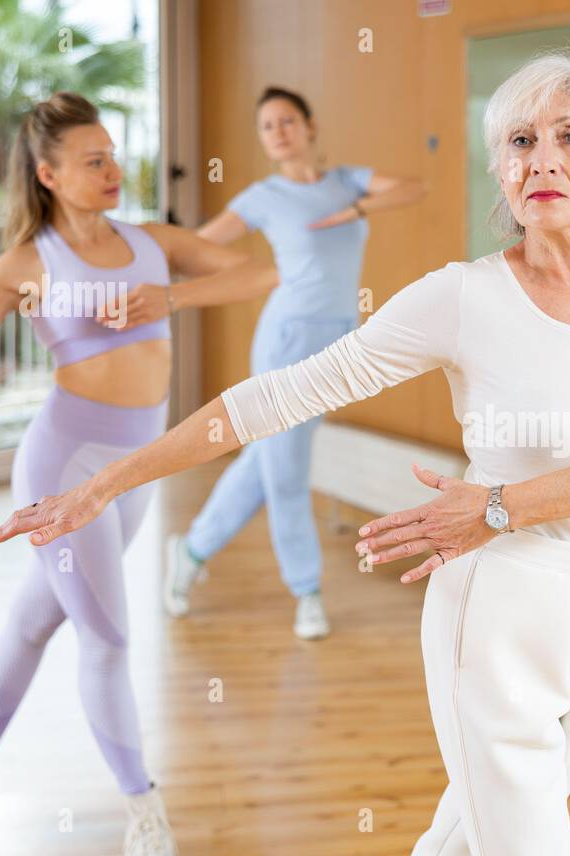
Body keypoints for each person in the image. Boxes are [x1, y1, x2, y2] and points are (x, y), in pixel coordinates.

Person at [0, 53, 570, 856]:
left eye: (569, 136)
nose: (539, 156)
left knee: (466, 839)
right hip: (498, 598)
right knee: (529, 849)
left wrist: (499, 501)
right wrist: (107, 480)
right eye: (519, 140)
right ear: (502, 175)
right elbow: (282, 393)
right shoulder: (462, 296)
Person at [0, 92, 279, 856]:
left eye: (113, 154)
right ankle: (145, 815)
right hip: (64, 467)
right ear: (50, 175)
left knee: (33, 625)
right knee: (109, 634)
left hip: (134, 471)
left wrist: (172, 295)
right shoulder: (28, 265)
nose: (113, 169)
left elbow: (259, 274)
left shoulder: (153, 243)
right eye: (94, 161)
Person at [163, 86, 428, 638]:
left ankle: (189, 554)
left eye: (287, 121)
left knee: (266, 462)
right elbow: (193, 248)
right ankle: (306, 590)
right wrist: (135, 266)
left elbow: (413, 187)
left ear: (309, 126)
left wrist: (352, 209)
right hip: (286, 342)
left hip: (339, 341)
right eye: (267, 126)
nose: (278, 131)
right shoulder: (263, 197)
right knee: (285, 471)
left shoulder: (347, 181)